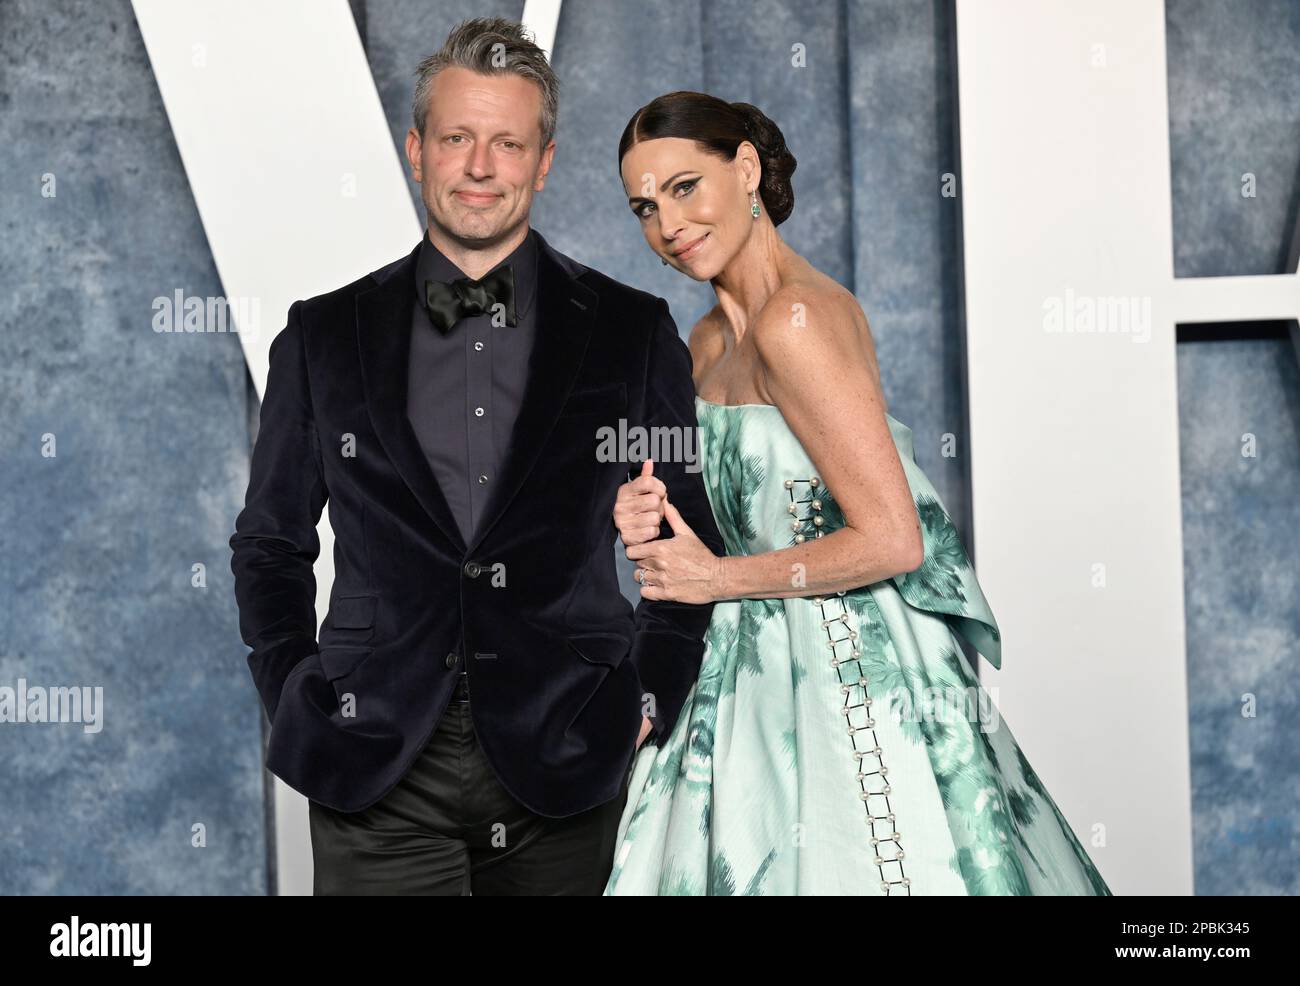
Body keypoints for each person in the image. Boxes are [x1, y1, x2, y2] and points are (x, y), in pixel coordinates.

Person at [229, 18, 724, 895]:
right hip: (375, 764)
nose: (481, 166)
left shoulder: (630, 332)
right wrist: (292, 690)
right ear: (417, 151)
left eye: (508, 142)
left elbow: (688, 543)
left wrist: (647, 697)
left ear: (544, 160)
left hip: (568, 758)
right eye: (457, 138)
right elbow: (270, 543)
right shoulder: (322, 336)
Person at [602, 91, 1112, 896]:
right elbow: (728, 519)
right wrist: (645, 516)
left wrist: (719, 579)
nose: (666, 225)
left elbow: (892, 540)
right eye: (644, 205)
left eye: (684, 187)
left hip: (846, 680)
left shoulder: (798, 320)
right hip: (735, 684)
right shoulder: (703, 342)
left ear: (745, 170)